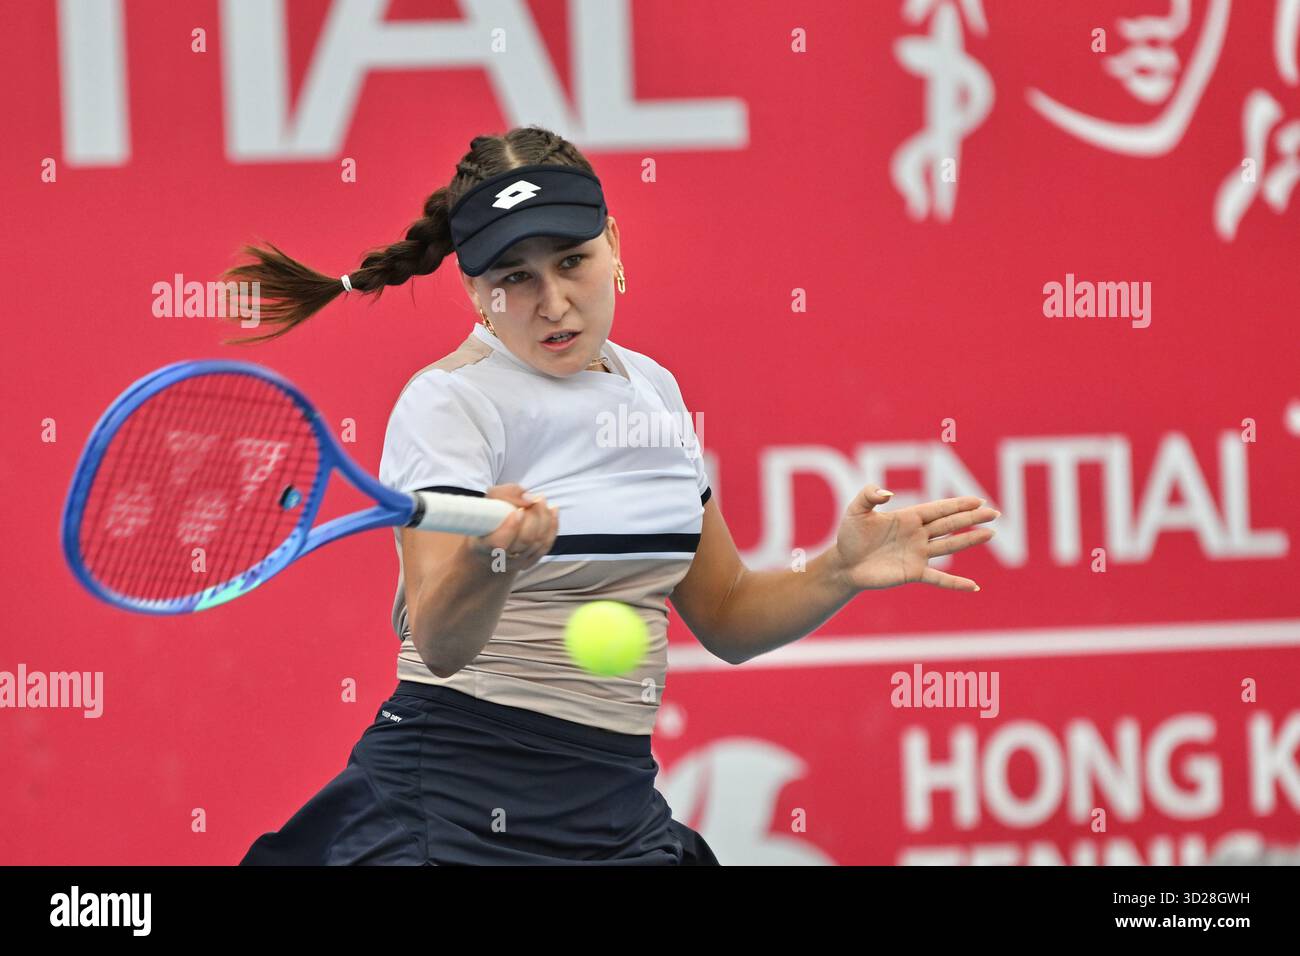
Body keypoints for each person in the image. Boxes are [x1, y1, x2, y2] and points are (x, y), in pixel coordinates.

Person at [224, 125, 998, 865]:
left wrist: (836, 571)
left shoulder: (653, 391)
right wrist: (494, 564)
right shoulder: (449, 403)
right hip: (453, 804)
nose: (553, 301)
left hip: (614, 811)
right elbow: (440, 643)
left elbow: (725, 614)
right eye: (514, 278)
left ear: (615, 246)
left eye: (571, 262)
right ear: (474, 290)